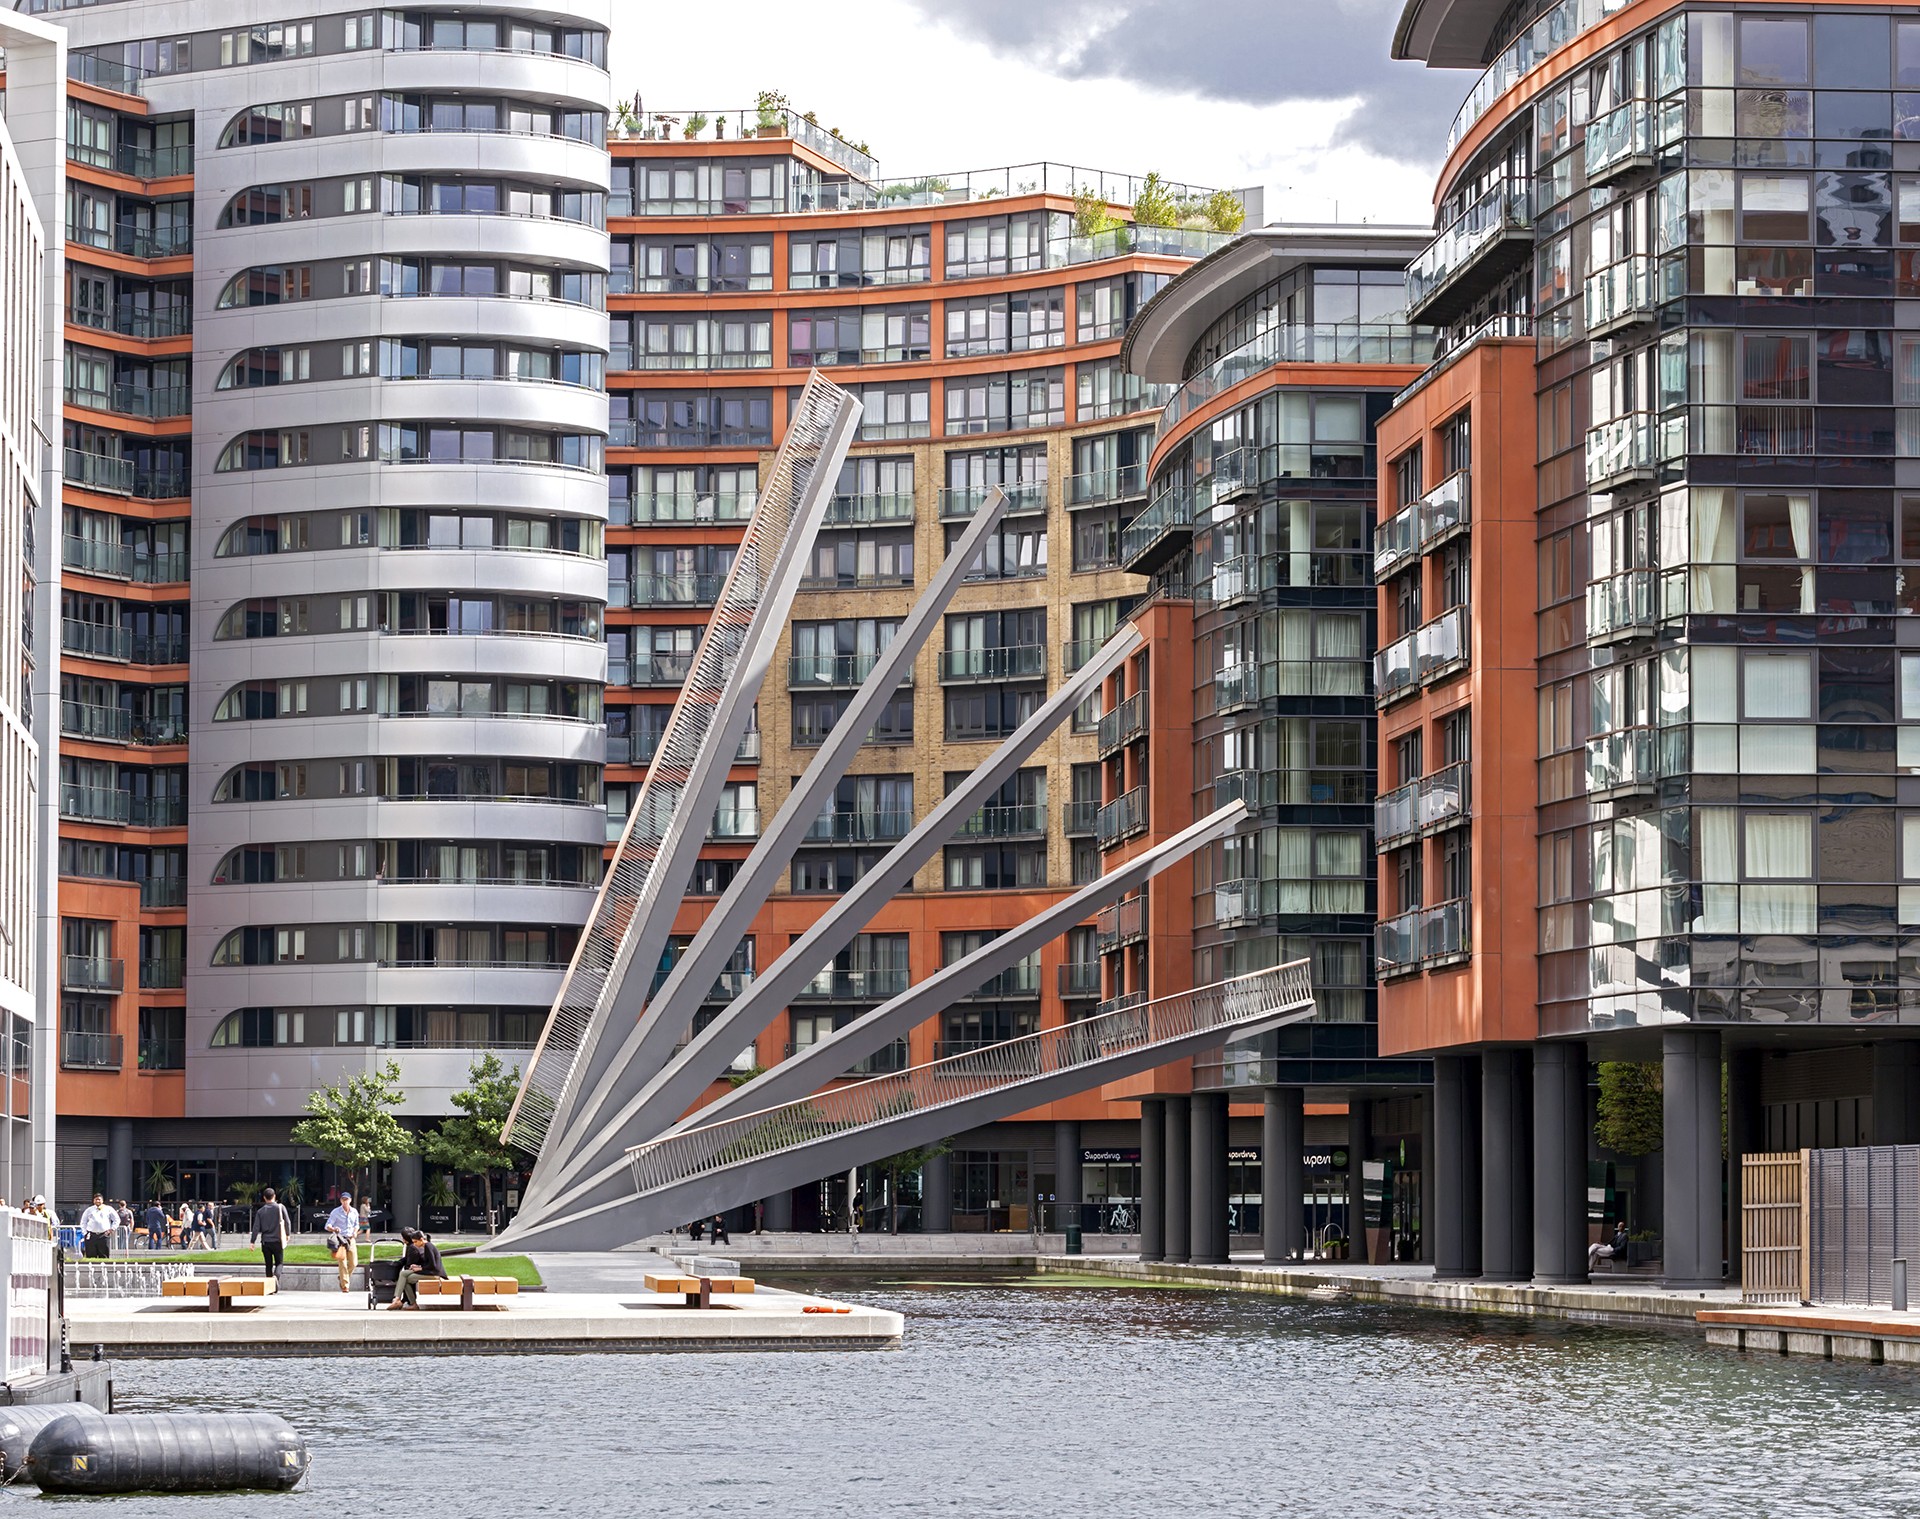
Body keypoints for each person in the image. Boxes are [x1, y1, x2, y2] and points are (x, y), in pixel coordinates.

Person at [389, 1227, 446, 1310]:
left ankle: (408, 1302)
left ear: (421, 1239)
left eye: (415, 1242)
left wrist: (419, 1268)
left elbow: (433, 1266)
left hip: (434, 1274)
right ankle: (398, 1299)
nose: (414, 1244)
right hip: (430, 1272)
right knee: (403, 1274)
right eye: (413, 1242)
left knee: (406, 1279)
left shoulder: (428, 1247)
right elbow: (428, 1264)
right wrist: (417, 1266)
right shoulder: (426, 1246)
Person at [250, 1187, 293, 1280]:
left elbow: (256, 1227)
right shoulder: (280, 1207)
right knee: (279, 1263)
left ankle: (269, 1286)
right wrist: (288, 1234)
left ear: (264, 1198)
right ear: (274, 1196)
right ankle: (275, 1279)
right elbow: (287, 1222)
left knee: (268, 1265)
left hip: (266, 1241)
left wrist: (252, 1241)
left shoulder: (260, 1211)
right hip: (278, 1240)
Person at [324, 1193, 362, 1293]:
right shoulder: (336, 1212)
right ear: (341, 1201)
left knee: (354, 1263)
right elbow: (327, 1225)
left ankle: (342, 1277)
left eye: (347, 1199)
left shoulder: (354, 1211)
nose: (345, 1201)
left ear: (350, 1200)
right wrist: (333, 1228)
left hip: (351, 1239)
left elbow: (356, 1224)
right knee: (342, 1262)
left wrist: (355, 1232)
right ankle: (345, 1285)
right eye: (343, 1199)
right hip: (341, 1239)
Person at [78, 1193, 117, 1259]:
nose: (97, 1201)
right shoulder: (89, 1210)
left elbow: (116, 1219)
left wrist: (112, 1229)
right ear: (93, 1201)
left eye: (99, 1199)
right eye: (96, 1199)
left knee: (104, 1256)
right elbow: (83, 1222)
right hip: (91, 1235)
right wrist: (85, 1232)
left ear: (102, 1200)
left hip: (104, 1235)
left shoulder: (108, 1209)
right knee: (91, 1256)